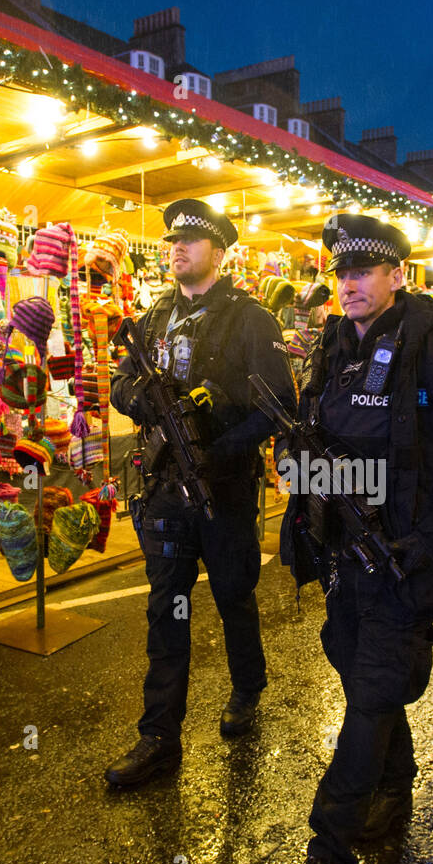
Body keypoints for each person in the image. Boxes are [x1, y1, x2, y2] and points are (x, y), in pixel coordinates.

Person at [282, 213, 433, 864]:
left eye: (363, 271)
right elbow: (313, 448)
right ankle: (397, 783)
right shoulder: (332, 347)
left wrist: (424, 542)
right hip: (344, 561)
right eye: (340, 271)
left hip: (402, 565)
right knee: (357, 670)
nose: (348, 283)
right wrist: (303, 507)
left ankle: (327, 853)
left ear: (396, 276)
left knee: (372, 692)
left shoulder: (431, 351)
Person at [104, 199, 297, 787]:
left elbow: (281, 408)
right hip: (165, 488)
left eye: (189, 240)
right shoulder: (154, 315)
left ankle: (247, 687)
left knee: (235, 593)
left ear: (219, 250)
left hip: (225, 489)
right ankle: (159, 737)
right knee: (167, 608)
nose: (176, 248)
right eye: (171, 241)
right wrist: (134, 398)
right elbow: (118, 380)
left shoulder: (250, 319)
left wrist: (219, 448)